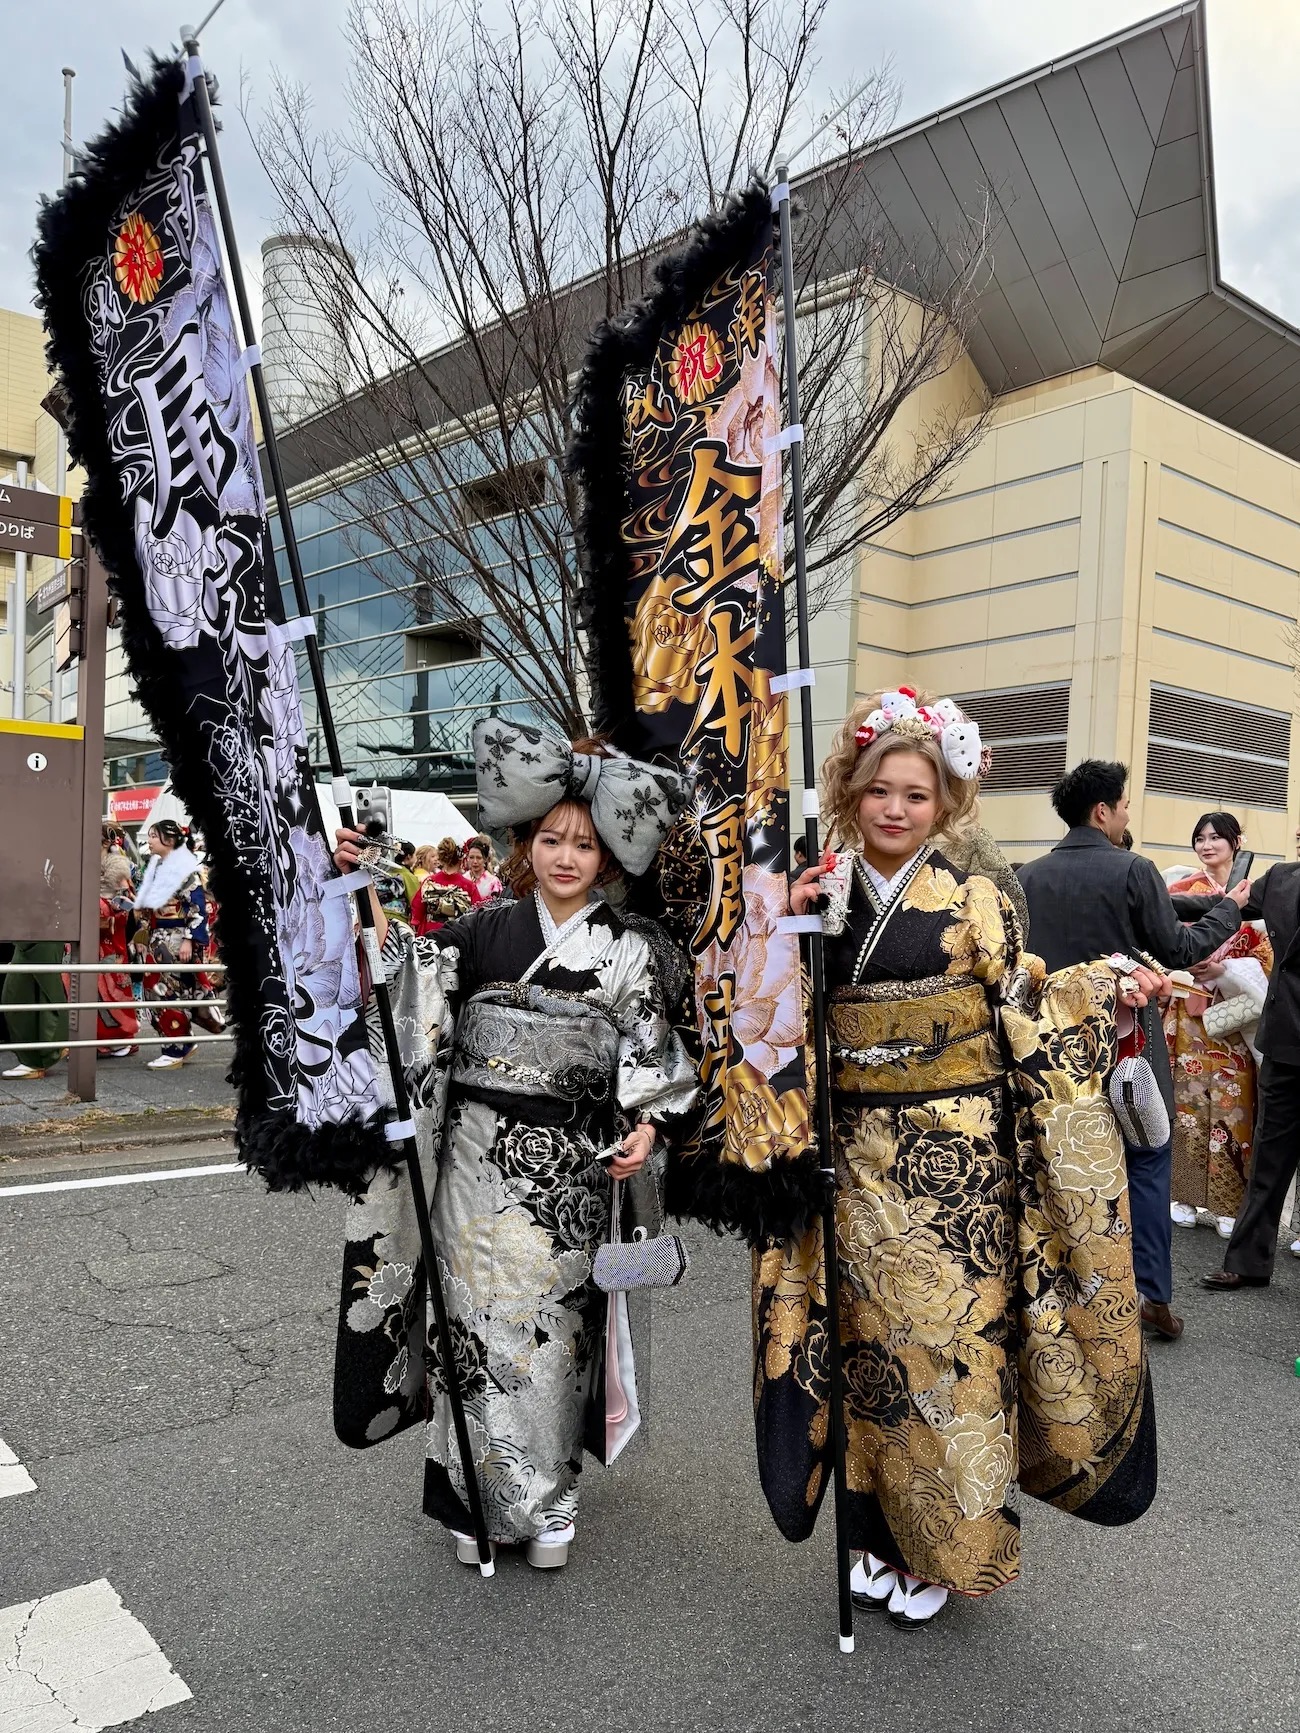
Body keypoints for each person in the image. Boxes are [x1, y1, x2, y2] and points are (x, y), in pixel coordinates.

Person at [763, 690, 1159, 1630]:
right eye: (879, 791)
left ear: (946, 803)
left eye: (917, 793)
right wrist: (784, 930)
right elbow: (774, 1018)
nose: (896, 808)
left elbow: (1025, 1003)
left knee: (949, 1355)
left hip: (957, 1169)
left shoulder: (975, 896)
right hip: (854, 1161)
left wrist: (1103, 989)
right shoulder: (820, 893)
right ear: (850, 792)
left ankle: (948, 1551)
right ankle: (876, 1537)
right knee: (867, 1355)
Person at [331, 721, 696, 1569]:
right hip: (473, 1156)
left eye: (584, 843)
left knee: (557, 1337)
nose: (566, 856)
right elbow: (408, 985)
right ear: (526, 843)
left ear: (608, 858)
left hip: (571, 1169)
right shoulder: (485, 929)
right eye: (551, 840)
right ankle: (473, 1498)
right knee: (469, 1328)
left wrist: (645, 1129)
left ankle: (551, 1501)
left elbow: (652, 1057)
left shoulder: (630, 951)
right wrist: (362, 886)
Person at [1016, 760, 1245, 1341]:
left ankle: (1063, 1291)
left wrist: (1207, 901)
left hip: (1052, 1046)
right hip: (1125, 1041)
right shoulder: (1133, 868)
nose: (1125, 816)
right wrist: (1230, 908)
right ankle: (1151, 1294)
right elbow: (1179, 947)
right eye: (1122, 807)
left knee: (1058, 1162)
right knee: (1147, 1157)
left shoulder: (1029, 877)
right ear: (1103, 811)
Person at [1163, 814, 1272, 1239]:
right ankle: (1184, 1197)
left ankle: (1230, 1203)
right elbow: (1161, 941)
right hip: (1188, 1012)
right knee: (1187, 1105)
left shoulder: (1255, 895)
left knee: (1235, 1106)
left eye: (1216, 838)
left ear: (1236, 842)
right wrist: (1188, 963)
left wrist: (1226, 969)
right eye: (1200, 838)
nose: (1206, 845)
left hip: (1234, 1014)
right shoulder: (1180, 890)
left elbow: (1267, 959)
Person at [1200, 839, 1300, 1291]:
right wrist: (1155, 905)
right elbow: (1229, 903)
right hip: (1285, 1038)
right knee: (1268, 1160)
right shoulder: (1280, 878)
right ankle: (1247, 1262)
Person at [135, 820, 212, 1070]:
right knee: (154, 989)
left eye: (153, 836)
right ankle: (180, 1041)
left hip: (176, 937)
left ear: (169, 840)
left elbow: (197, 907)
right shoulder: (156, 867)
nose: (149, 841)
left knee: (169, 990)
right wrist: (142, 934)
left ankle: (176, 1047)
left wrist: (189, 939)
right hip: (157, 937)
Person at [1, 941, 68, 1080]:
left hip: (39, 937)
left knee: (27, 992)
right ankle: (45, 1052)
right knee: (23, 991)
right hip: (32, 938)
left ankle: (39, 1057)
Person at [97, 855, 140, 1058]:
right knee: (105, 998)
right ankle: (107, 1041)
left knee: (110, 998)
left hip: (109, 953)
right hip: (112, 952)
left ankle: (118, 1040)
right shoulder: (119, 898)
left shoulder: (112, 899)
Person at [410, 836, 478, 934]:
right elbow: (477, 914)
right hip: (455, 934)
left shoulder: (430, 881)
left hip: (430, 933)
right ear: (462, 858)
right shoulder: (468, 886)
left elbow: (417, 908)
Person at [463, 834, 503, 901]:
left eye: (479, 858)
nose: (475, 861)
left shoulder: (493, 882)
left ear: (485, 859)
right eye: (471, 857)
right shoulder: (463, 879)